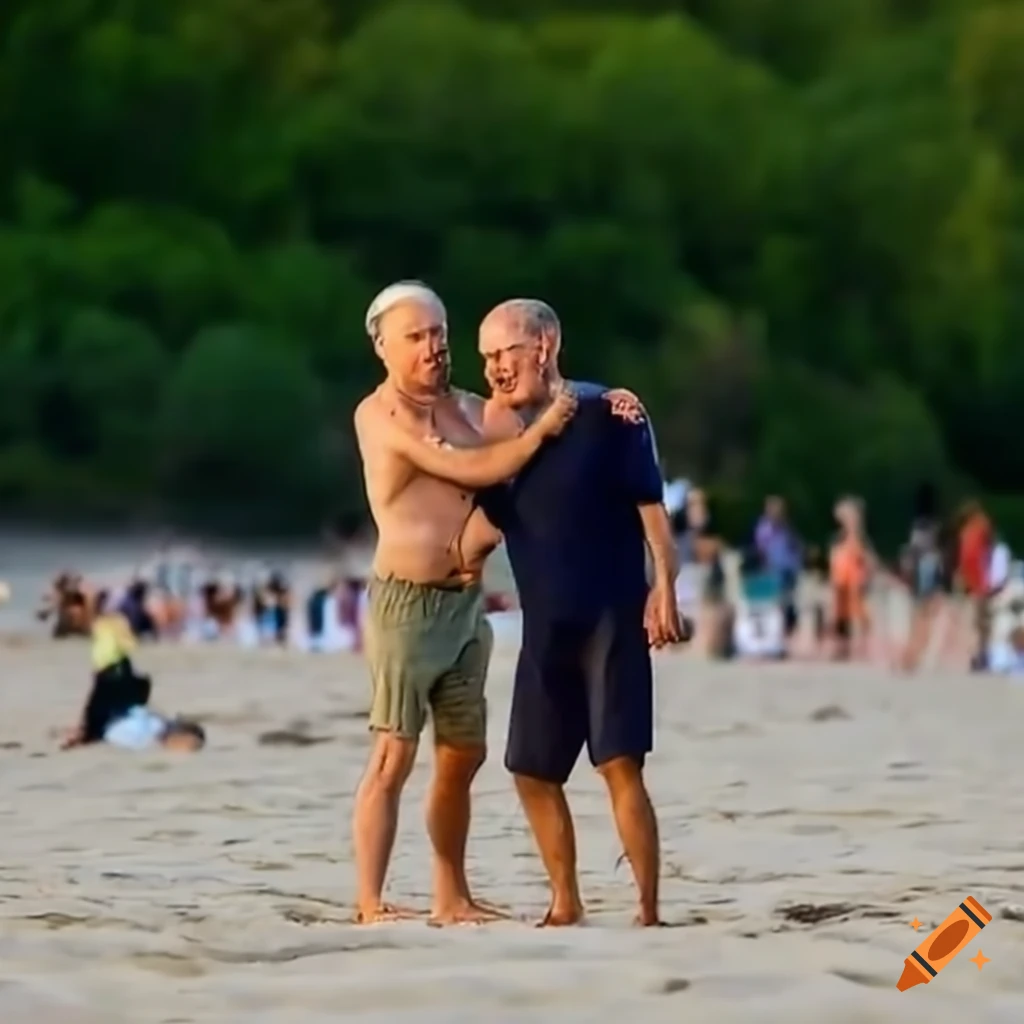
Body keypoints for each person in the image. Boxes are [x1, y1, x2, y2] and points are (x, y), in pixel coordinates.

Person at [350, 281, 577, 925]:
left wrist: (600, 402)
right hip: (406, 606)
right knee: (393, 755)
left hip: (465, 606)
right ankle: (370, 902)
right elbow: (472, 470)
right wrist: (537, 435)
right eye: (416, 337)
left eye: (439, 334)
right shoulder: (380, 416)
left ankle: (451, 895)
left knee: (461, 756)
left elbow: (538, 408)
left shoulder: (472, 410)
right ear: (384, 347)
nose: (433, 348)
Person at [462, 298, 683, 927]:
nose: (495, 368)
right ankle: (566, 901)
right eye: (486, 357)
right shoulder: (498, 439)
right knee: (530, 770)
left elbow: (652, 512)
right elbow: (486, 525)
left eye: (505, 352)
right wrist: (449, 563)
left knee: (619, 764)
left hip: (611, 618)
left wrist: (664, 587)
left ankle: (648, 910)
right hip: (546, 625)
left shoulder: (609, 413)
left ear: (545, 345)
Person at [59, 591, 205, 752]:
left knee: (145, 731)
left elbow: (104, 687)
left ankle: (177, 739)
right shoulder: (111, 627)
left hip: (122, 720)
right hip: (136, 711)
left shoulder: (105, 635)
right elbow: (129, 680)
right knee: (155, 725)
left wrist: (85, 730)